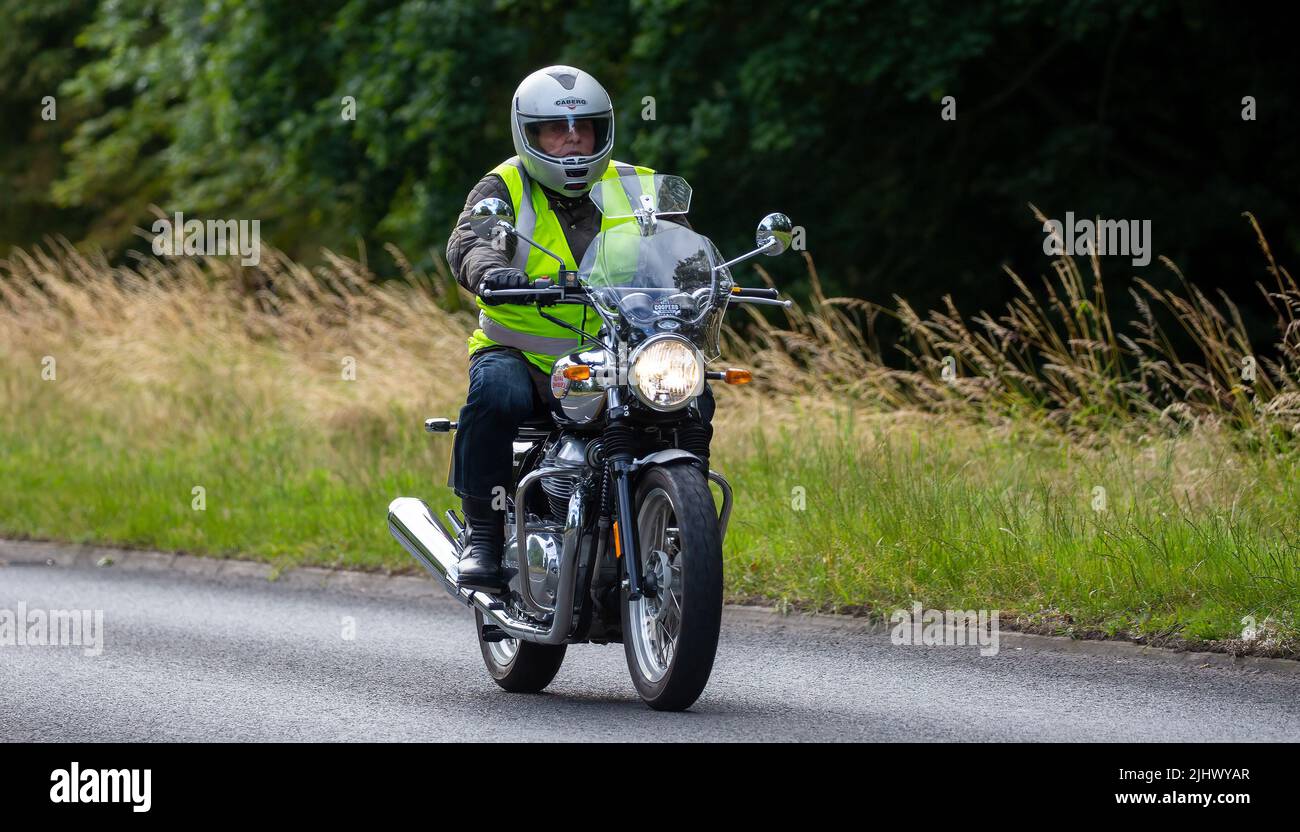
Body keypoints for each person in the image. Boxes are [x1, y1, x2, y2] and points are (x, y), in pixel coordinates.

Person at [445, 65, 715, 593]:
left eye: (583, 128)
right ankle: (483, 533)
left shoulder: (638, 187)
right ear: (530, 134)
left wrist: (709, 282)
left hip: (621, 353)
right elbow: (469, 241)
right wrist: (490, 271)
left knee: (691, 397)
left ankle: (682, 526)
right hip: (523, 354)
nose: (572, 140)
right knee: (494, 395)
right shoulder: (503, 186)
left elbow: (683, 251)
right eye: (555, 129)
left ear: (602, 131)